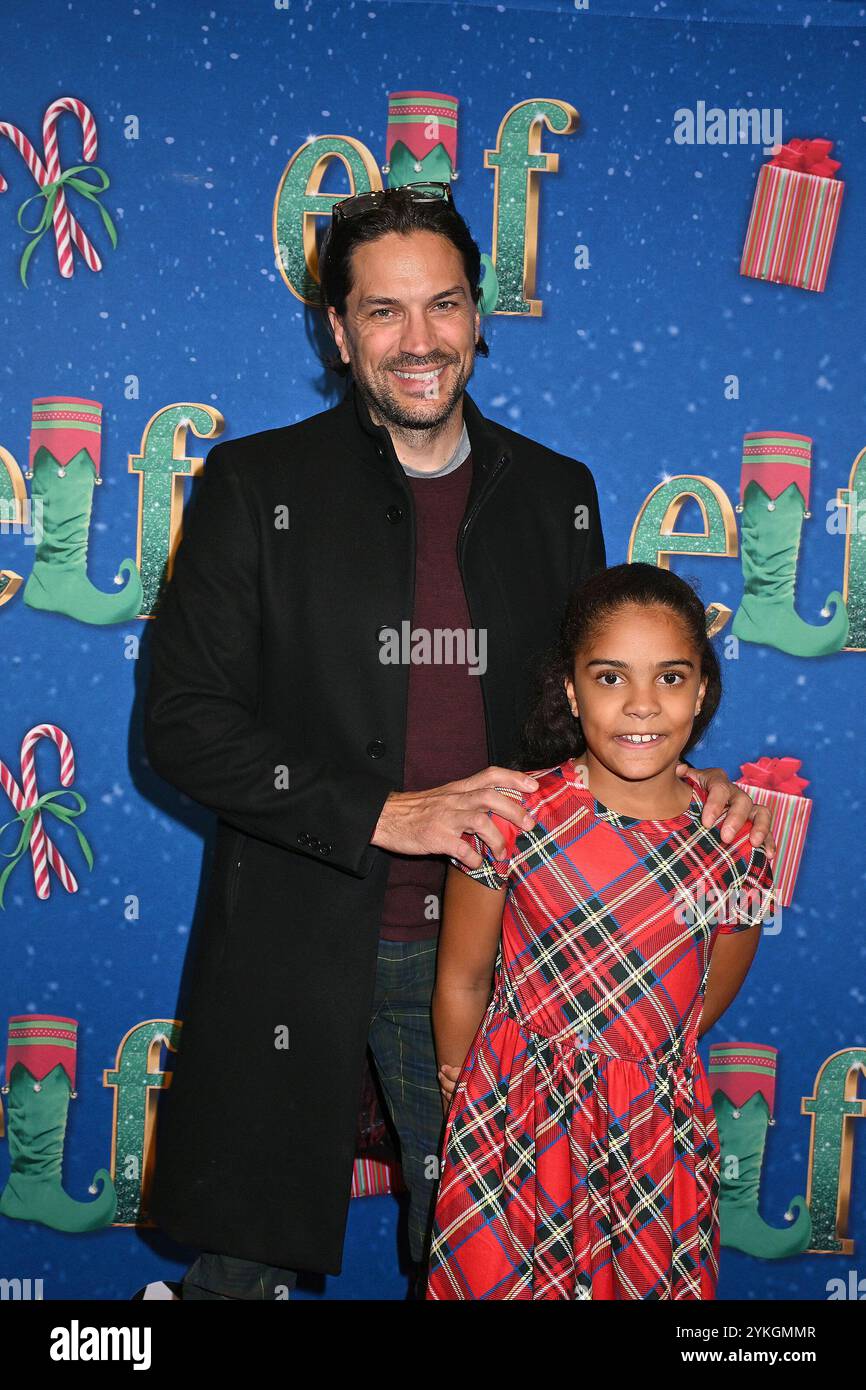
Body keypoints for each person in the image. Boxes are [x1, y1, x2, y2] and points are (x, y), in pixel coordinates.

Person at [142, 183, 774, 1300]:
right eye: (381, 313)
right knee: (241, 1260)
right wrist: (385, 812)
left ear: (479, 316)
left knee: (485, 1254)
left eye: (440, 306)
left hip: (500, 961)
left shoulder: (556, 493)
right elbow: (181, 725)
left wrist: (686, 782)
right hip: (300, 934)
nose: (418, 340)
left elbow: (589, 700)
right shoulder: (255, 485)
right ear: (336, 332)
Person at [427, 562, 773, 1301]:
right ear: (572, 689)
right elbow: (462, 976)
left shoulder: (735, 841)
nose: (642, 706)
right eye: (612, 678)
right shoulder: (512, 817)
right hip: (514, 1129)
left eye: (671, 678)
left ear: (703, 689)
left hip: (653, 1138)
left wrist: (635, 1062)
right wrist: (474, 1093)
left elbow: (711, 990)